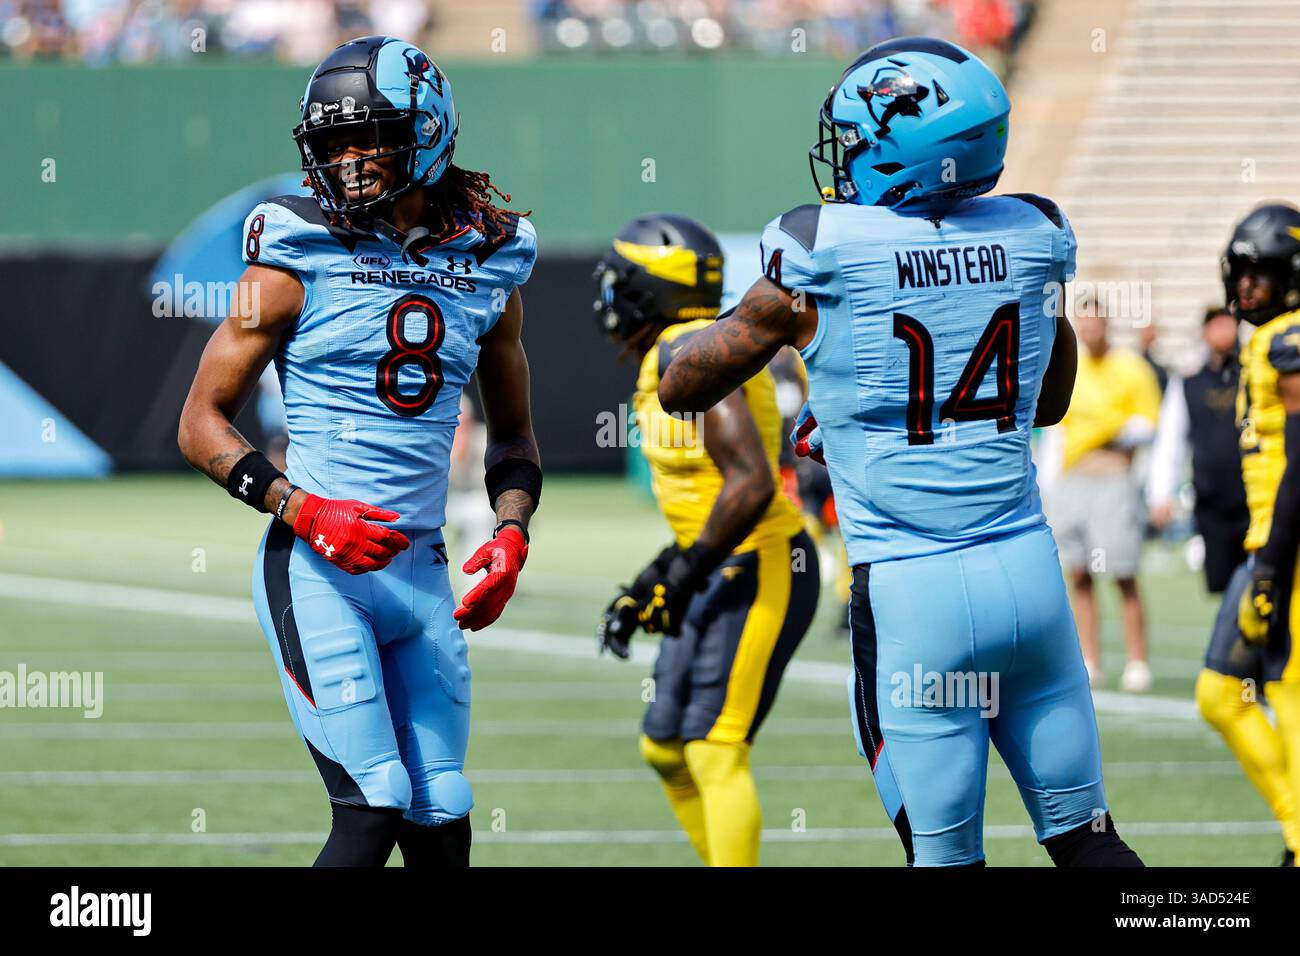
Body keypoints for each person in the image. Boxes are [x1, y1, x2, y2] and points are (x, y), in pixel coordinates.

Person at [657, 37, 1140, 867]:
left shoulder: (821, 250)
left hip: (915, 596)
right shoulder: (1035, 233)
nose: (843, 160)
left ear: (900, 149)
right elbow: (1048, 402)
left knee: (945, 859)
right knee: (1090, 844)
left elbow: (681, 387)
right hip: (1028, 575)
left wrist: (829, 384)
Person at [177, 36, 541, 866]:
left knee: (443, 811)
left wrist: (513, 534)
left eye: (363, 137)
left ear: (428, 129)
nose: (344, 161)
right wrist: (304, 509)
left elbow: (514, 436)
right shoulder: (294, 250)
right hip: (318, 569)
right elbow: (200, 422)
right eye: (329, 141)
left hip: (422, 569)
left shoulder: (489, 257)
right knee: (374, 802)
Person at [593, 213, 820, 866]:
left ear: (645, 290)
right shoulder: (678, 348)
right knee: (664, 745)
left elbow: (750, 484)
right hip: (720, 561)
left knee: (716, 749)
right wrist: (659, 574)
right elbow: (711, 497)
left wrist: (684, 572)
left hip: (763, 560)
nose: (608, 300)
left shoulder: (686, 351)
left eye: (620, 283)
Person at [1196, 203, 1300, 867]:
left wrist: (1273, 565)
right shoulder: (1266, 335)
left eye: (1260, 274)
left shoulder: (1291, 337)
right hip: (1269, 542)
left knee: (1287, 700)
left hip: (1288, 547)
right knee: (1220, 694)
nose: (1245, 288)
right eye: (1240, 273)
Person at [1047, 298, 1162, 691]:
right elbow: (1057, 425)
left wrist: (1117, 433)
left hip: (1113, 476)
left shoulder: (1130, 366)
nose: (1090, 329)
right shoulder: (1070, 364)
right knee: (1079, 572)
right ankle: (1090, 657)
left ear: (1106, 324)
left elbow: (1149, 421)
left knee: (1122, 571)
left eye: (1095, 321)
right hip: (1075, 477)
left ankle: (1136, 658)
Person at [1146, 307, 1248, 594]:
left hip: (1252, 499)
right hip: (1211, 502)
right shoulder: (1189, 381)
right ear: (1204, 333)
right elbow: (1170, 438)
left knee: (1261, 584)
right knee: (1223, 586)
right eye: (1215, 326)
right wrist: (1160, 493)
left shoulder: (1253, 374)